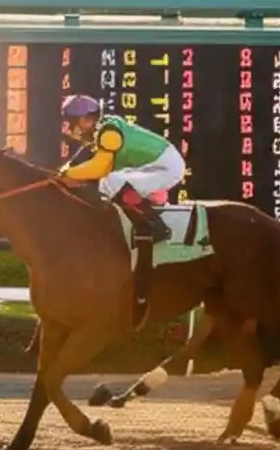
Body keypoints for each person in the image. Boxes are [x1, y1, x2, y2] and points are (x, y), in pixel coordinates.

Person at [58, 94, 186, 328]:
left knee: (111, 180)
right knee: (111, 183)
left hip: (167, 166)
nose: (72, 128)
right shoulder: (102, 132)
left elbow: (100, 167)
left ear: (87, 119)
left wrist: (70, 174)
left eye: (74, 122)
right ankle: (137, 222)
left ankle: (153, 226)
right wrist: (69, 170)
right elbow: (91, 161)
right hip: (156, 165)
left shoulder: (108, 134)